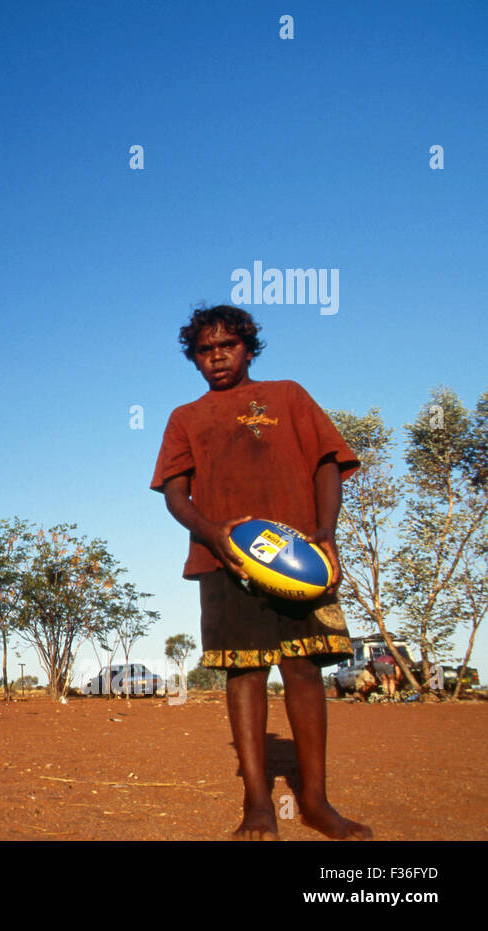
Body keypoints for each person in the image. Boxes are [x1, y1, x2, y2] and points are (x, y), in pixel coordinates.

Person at [151, 304, 372, 840]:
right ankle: (257, 805)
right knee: (244, 674)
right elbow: (175, 496)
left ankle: (316, 802)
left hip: (299, 559)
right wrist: (214, 532)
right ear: (194, 359)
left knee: (304, 671)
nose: (217, 356)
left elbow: (326, 462)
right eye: (205, 349)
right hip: (222, 561)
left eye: (228, 345)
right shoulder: (186, 417)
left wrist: (325, 535)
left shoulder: (288, 396)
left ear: (249, 347)